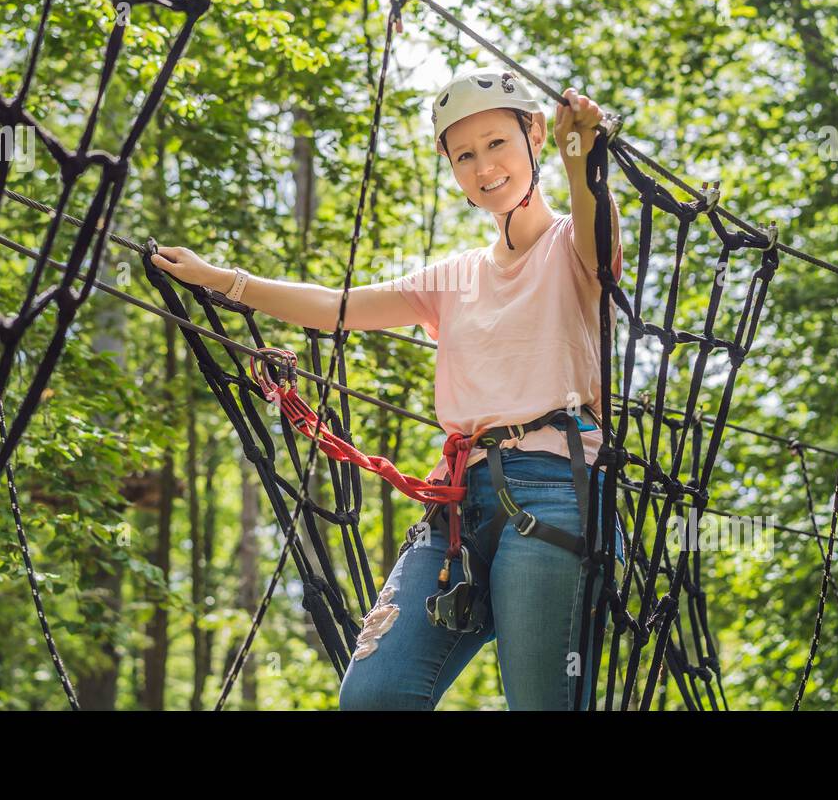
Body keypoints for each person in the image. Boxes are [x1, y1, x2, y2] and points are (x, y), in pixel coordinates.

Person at [152, 65, 624, 709]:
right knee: (373, 696)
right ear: (452, 169)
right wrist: (224, 282)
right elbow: (337, 306)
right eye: (465, 155)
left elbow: (600, 245)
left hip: (557, 491)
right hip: (458, 505)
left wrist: (581, 162)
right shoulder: (455, 277)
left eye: (497, 144)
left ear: (534, 135)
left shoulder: (572, 246)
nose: (484, 167)